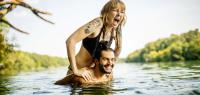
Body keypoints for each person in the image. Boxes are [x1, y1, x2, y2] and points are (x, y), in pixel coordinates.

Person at [66, 0, 126, 81]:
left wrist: (109, 67)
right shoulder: (97, 24)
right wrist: (76, 70)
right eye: (115, 10)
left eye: (122, 12)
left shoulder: (116, 29)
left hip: (94, 75)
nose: (119, 14)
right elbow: (70, 41)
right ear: (106, 12)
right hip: (79, 74)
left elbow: (119, 48)